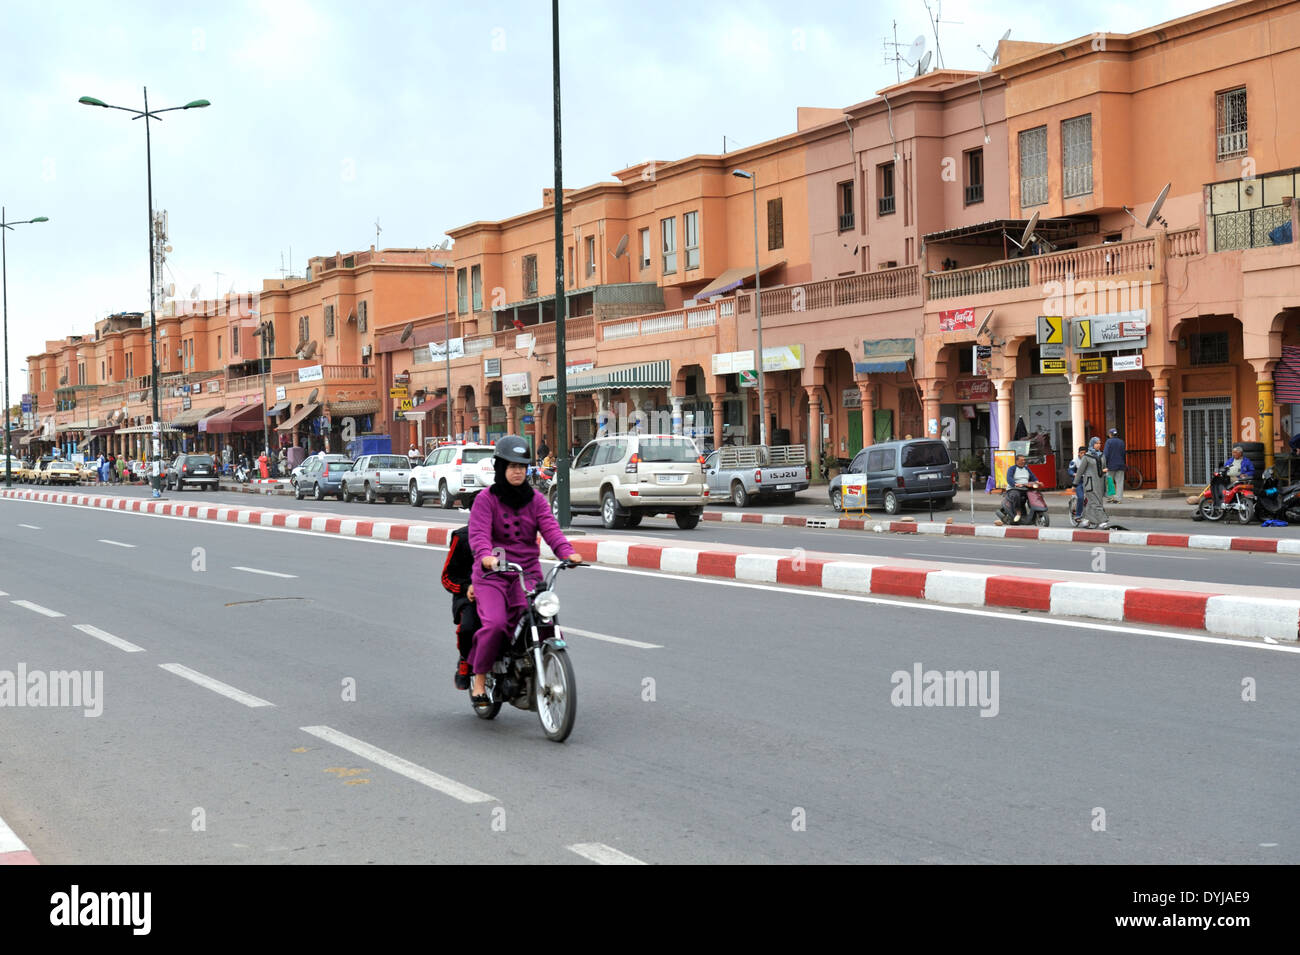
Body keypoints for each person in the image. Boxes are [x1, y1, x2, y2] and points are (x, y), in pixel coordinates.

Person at [467, 435, 584, 704]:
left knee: (543, 620)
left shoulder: (537, 500)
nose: (517, 471)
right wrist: (485, 556)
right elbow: (479, 535)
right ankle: (481, 679)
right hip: (492, 574)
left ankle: (541, 671)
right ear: (500, 468)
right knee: (496, 625)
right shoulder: (487, 500)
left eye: (521, 466)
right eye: (511, 466)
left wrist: (567, 553)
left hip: (527, 573)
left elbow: (552, 530)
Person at [441, 525, 480, 690]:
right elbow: (447, 577)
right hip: (470, 595)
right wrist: (466, 588)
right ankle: (465, 659)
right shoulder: (463, 537)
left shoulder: (508, 533)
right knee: (467, 628)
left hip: (503, 592)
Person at [1075, 437, 1110, 528]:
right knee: (1096, 502)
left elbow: (1104, 468)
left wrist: (1105, 471)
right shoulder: (1087, 457)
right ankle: (1103, 521)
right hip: (1090, 483)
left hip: (1100, 483)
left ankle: (1087, 520)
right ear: (1092, 444)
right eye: (1096, 443)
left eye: (1100, 443)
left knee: (1092, 503)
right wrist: (1075, 483)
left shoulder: (1102, 455)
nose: (1099, 445)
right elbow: (1080, 471)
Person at [1002, 453, 1041, 523]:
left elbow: (1033, 477)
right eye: (1022, 460)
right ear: (1017, 461)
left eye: (1024, 460)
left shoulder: (1026, 468)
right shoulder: (1012, 469)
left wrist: (1037, 482)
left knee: (1035, 495)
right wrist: (1016, 484)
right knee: (1016, 495)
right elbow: (1009, 478)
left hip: (1025, 488)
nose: (1023, 461)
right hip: (1014, 488)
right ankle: (1018, 513)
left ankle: (1035, 511)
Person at [1103, 428, 1127, 502]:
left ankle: (1111, 497)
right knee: (1119, 482)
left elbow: (1105, 454)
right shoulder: (1121, 442)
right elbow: (1123, 454)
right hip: (1120, 465)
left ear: (1110, 434)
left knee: (1110, 481)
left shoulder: (1108, 442)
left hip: (1111, 465)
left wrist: (1104, 465)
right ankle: (1119, 498)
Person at [1067, 445, 1087, 522]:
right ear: (1078, 453)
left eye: (1085, 453)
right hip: (1078, 482)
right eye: (1081, 453)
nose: (1083, 454)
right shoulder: (1074, 461)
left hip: (1087, 481)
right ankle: (1078, 515)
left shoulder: (1089, 460)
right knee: (1081, 497)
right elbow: (1070, 470)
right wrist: (1074, 474)